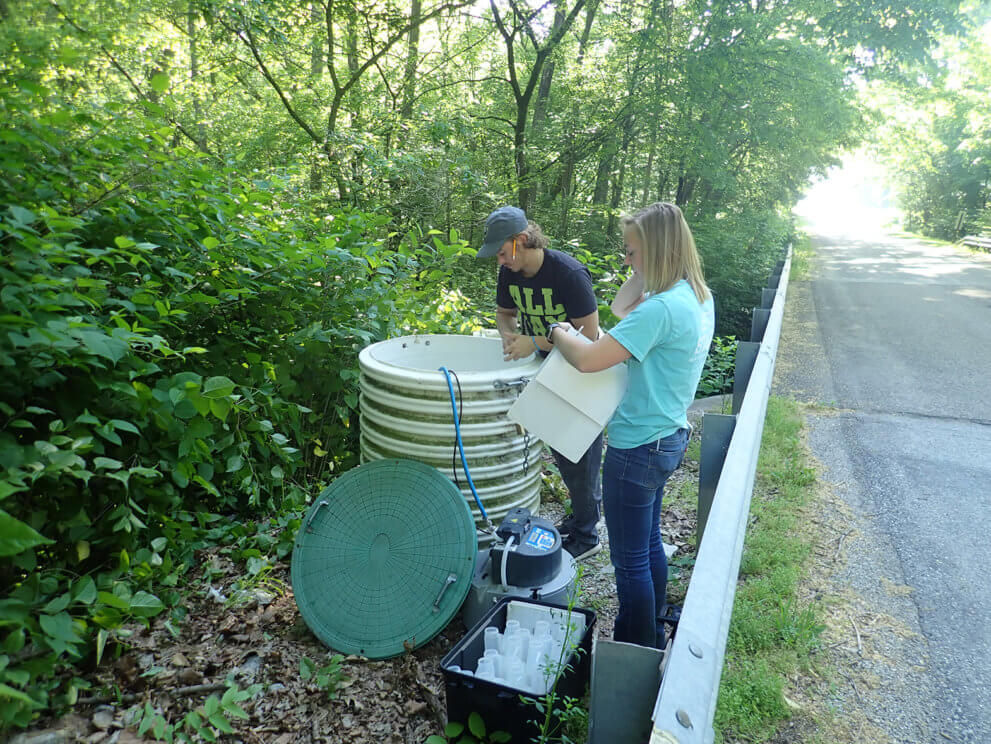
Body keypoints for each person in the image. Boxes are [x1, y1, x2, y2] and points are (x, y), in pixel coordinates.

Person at [547, 202, 715, 648]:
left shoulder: (660, 311)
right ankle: (655, 629)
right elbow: (623, 308)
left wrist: (557, 331)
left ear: (658, 251)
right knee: (648, 543)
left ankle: (635, 651)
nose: (626, 261)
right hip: (668, 436)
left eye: (632, 252)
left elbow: (585, 359)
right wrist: (646, 268)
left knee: (630, 562)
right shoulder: (695, 297)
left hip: (635, 448)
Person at [477, 206, 604, 560]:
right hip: (544, 373)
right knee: (562, 454)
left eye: (502, 253)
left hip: (578, 372)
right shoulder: (510, 273)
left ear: (520, 241)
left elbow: (589, 337)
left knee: (580, 453)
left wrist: (532, 342)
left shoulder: (568, 273)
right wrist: (508, 337)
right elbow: (505, 314)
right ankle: (581, 518)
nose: (500, 262)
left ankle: (587, 535)